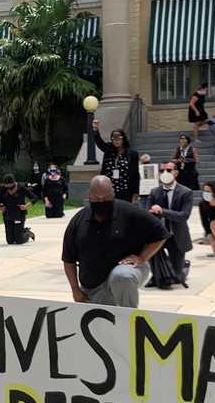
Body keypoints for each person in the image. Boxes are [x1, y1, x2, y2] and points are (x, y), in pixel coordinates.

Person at [62, 176, 167, 308]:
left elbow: (161, 233)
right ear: (89, 195)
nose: (101, 201)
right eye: (96, 198)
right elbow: (68, 259)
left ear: (113, 193)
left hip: (127, 270)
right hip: (94, 283)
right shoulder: (78, 220)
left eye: (106, 198)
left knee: (121, 276)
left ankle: (129, 317)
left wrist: (142, 257)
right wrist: (75, 289)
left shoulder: (129, 212)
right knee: (103, 323)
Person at [147, 161, 193, 289]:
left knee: (176, 278)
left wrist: (162, 211)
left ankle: (183, 269)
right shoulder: (154, 192)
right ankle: (157, 275)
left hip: (177, 235)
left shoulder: (186, 192)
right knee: (153, 254)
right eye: (162, 171)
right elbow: (148, 214)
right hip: (161, 234)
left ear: (176, 173)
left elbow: (184, 216)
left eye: (168, 170)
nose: (165, 173)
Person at [92, 119, 140, 203]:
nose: (116, 141)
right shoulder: (108, 150)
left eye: (119, 138)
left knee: (124, 211)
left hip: (125, 189)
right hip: (109, 188)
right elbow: (100, 143)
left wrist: (136, 192)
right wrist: (95, 130)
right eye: (114, 139)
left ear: (123, 139)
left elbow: (135, 174)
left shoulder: (132, 154)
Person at [0, 174, 37, 244]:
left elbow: (34, 198)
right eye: (7, 186)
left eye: (10, 186)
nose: (9, 188)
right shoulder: (4, 189)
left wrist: (26, 206)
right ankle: (21, 230)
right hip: (7, 215)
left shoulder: (21, 188)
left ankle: (26, 232)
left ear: (14, 183)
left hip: (19, 215)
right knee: (10, 241)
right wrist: (0, 207)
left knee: (19, 240)